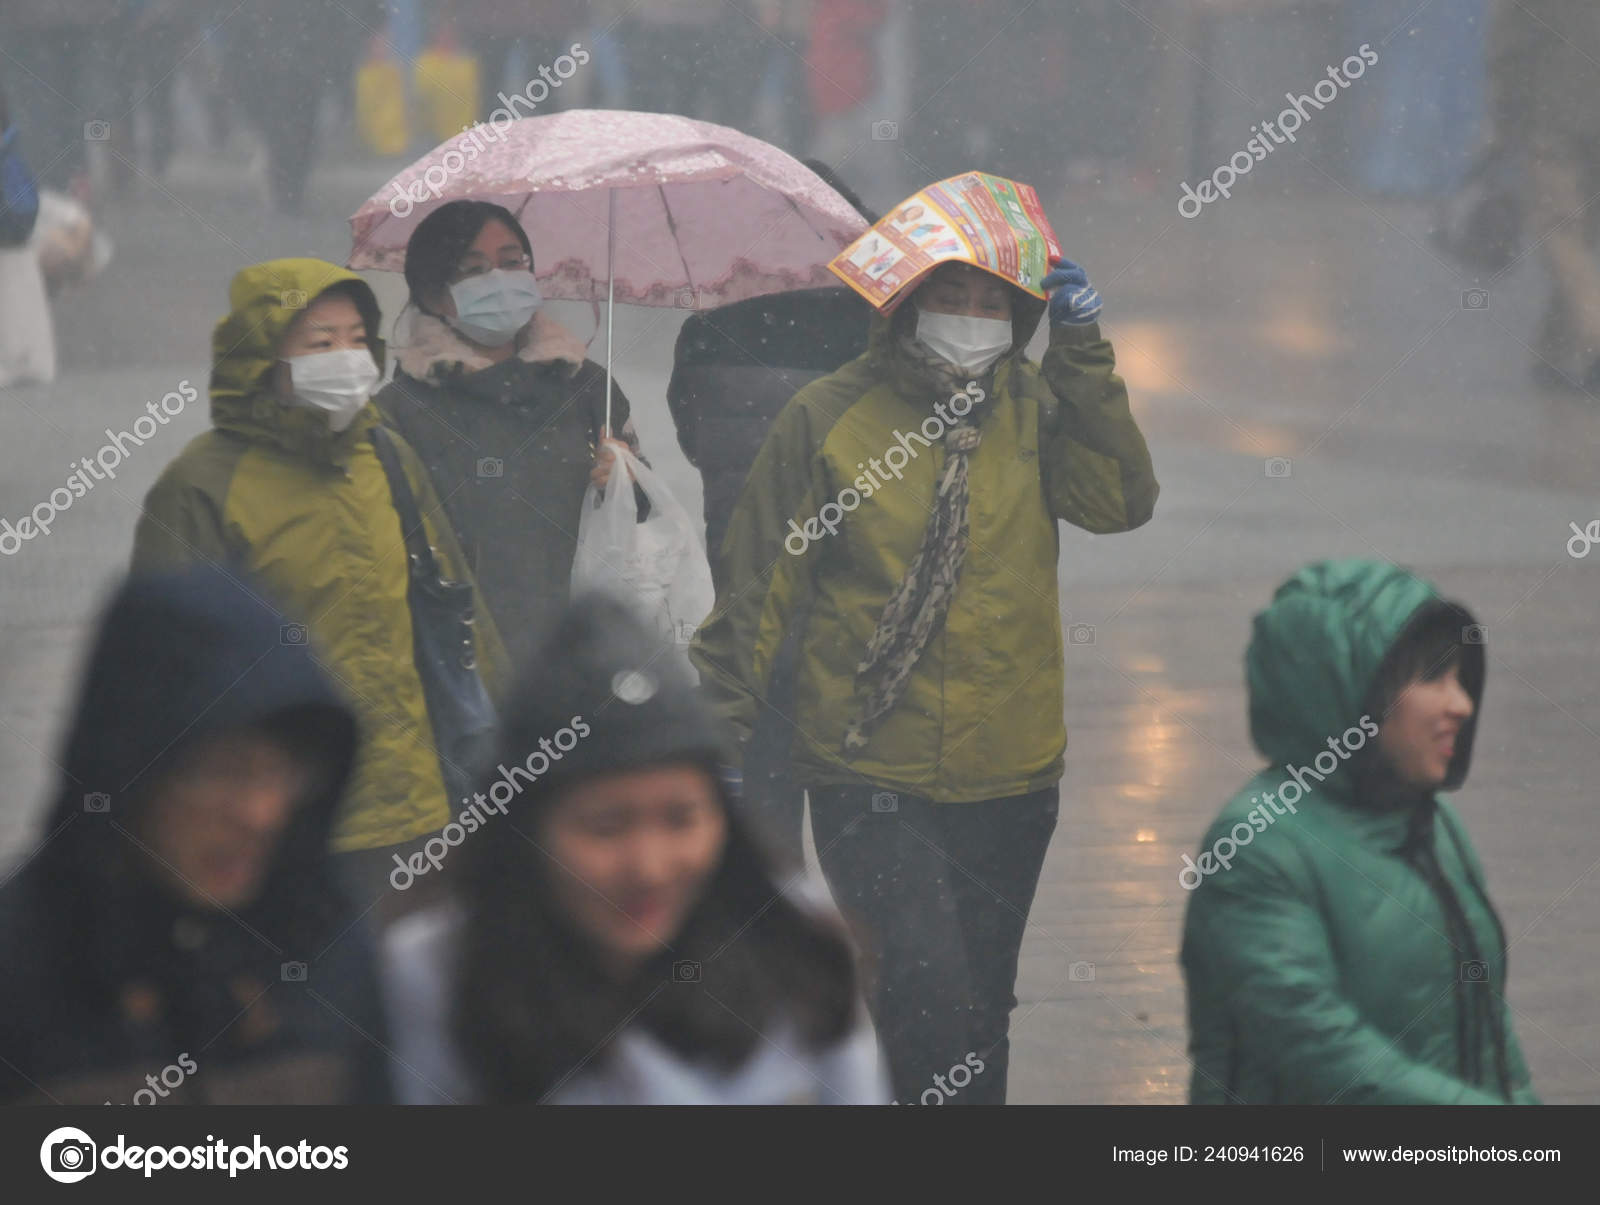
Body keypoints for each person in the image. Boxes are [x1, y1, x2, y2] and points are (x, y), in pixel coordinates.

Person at [689, 226, 1159, 1104]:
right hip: (870, 769)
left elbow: (1121, 500)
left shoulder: (1035, 403)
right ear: (906, 301)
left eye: (992, 303)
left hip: (1011, 772)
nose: (971, 319)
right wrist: (713, 744)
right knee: (924, 999)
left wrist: (1084, 354)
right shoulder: (828, 415)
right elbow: (756, 596)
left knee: (984, 1008)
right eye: (951, 297)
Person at [381, 595, 889, 1104]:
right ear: (525, 830)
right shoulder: (436, 980)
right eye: (605, 826)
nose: (649, 868)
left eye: (680, 818)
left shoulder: (797, 946)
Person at [131, 258, 506, 917]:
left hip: (417, 807)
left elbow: (455, 608)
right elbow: (161, 670)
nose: (347, 357)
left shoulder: (386, 455)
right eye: (320, 342)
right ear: (265, 357)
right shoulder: (202, 484)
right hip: (281, 820)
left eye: (358, 338)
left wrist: (515, 744)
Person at [0, 564, 389, 1104]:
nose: (261, 813)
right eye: (220, 771)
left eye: (284, 772)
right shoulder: (22, 964)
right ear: (128, 770)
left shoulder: (325, 946)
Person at [1180, 560, 1539, 1105]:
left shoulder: (1431, 825)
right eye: (1431, 678)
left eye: (1461, 678)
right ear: (1354, 697)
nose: (1461, 704)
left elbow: (1488, 1033)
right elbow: (1322, 1054)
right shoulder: (1255, 848)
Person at [666, 160, 875, 863]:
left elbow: (692, 437)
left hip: (748, 610)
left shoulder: (712, 315)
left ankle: (771, 945)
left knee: (763, 827)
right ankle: (863, 959)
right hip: (858, 616)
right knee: (865, 844)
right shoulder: (875, 323)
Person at [375, 199, 646, 670]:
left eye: (512, 262)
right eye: (474, 270)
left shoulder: (588, 390)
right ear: (435, 295)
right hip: (453, 661)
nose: (500, 279)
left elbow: (641, 520)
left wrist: (625, 478)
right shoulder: (401, 411)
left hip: (577, 660)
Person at [1488, 0, 1600, 391]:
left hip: (1558, 116)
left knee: (1562, 230)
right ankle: (1552, 351)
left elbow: (1510, 48)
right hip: (1574, 114)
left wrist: (1502, 125)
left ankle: (1593, 337)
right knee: (1584, 235)